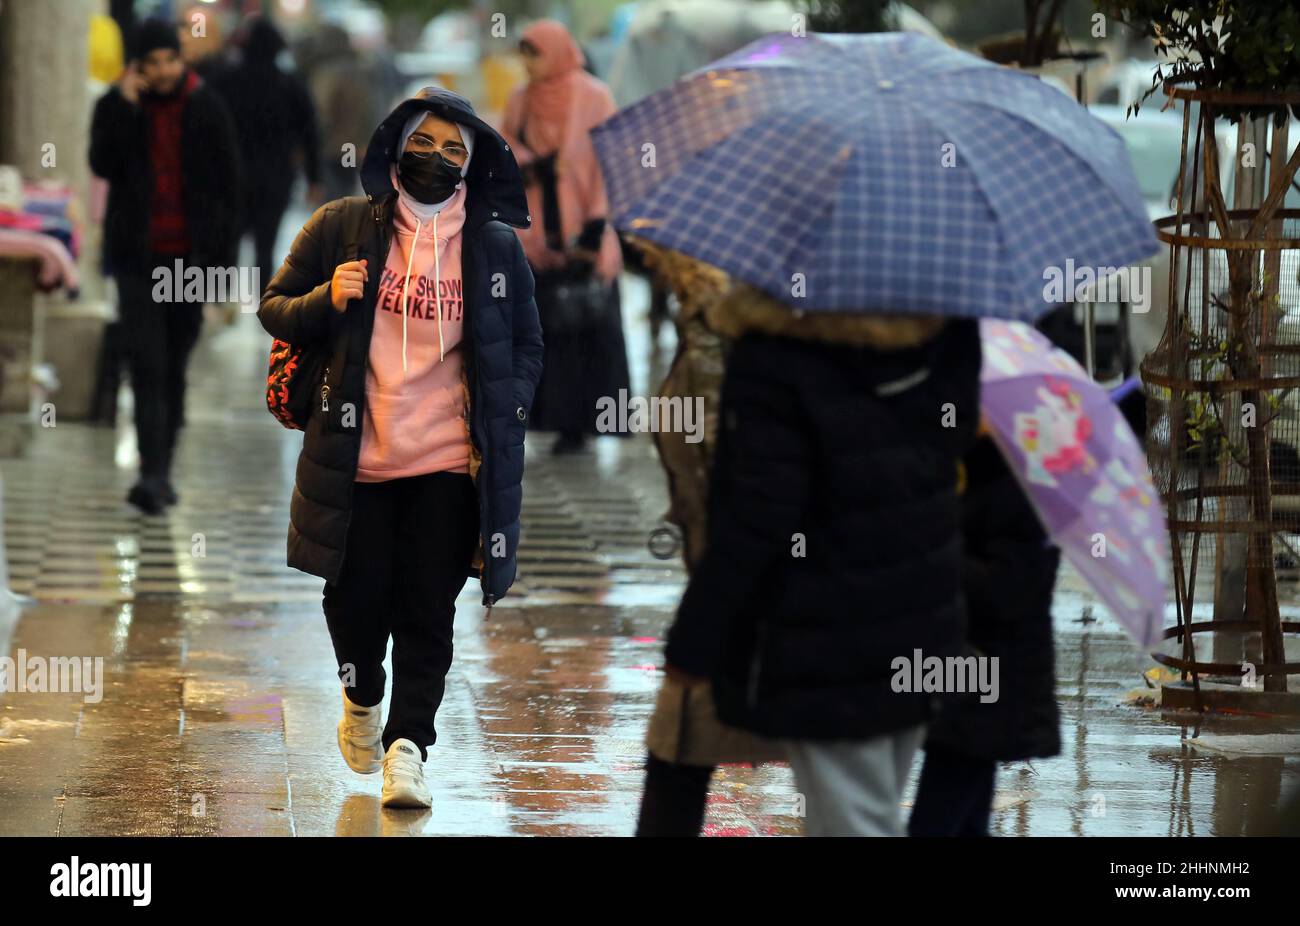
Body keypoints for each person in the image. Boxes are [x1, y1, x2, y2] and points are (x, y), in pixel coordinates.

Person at [257, 87, 542, 808]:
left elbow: (528, 343)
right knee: (354, 599)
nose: (438, 160)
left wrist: (505, 409)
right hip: (358, 456)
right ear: (397, 145)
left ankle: (408, 747)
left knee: (427, 606)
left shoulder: (493, 246)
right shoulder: (342, 227)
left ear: (472, 167)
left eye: (455, 151)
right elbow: (273, 308)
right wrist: (329, 295)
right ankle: (362, 697)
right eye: (426, 144)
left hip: (448, 462)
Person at [661, 288, 982, 837]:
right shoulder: (944, 328)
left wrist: (696, 638)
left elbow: (759, 513)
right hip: (924, 614)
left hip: (824, 634)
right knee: (870, 809)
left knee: (855, 823)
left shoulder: (775, 351)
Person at [89, 18, 242, 514]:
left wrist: (223, 268)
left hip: (189, 260)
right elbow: (102, 164)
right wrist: (125, 109)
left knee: (174, 364)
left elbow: (229, 189)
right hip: (139, 258)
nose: (161, 71)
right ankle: (151, 473)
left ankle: (164, 467)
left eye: (168, 60)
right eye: (150, 62)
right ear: (137, 66)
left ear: (180, 59)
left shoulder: (208, 106)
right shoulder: (117, 107)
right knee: (147, 362)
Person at [908, 431, 1062, 837]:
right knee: (965, 821)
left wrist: (937, 550)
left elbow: (1008, 591)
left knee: (934, 823)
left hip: (992, 680)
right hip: (963, 673)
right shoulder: (970, 470)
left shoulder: (1023, 487)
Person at [501, 19, 630, 454]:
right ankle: (551, 419)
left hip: (585, 233)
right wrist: (532, 166)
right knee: (546, 334)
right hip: (535, 239)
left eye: (534, 53)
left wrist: (593, 234)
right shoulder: (522, 101)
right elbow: (502, 153)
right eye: (525, 54)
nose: (528, 63)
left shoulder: (594, 97)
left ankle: (585, 423)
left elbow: (609, 167)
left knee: (589, 330)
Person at [208, 16, 321, 292]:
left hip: (232, 176)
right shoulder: (290, 85)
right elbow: (310, 134)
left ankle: (221, 300)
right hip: (276, 177)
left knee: (228, 239)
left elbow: (208, 130)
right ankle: (264, 299)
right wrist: (314, 178)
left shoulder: (224, 82)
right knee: (265, 243)